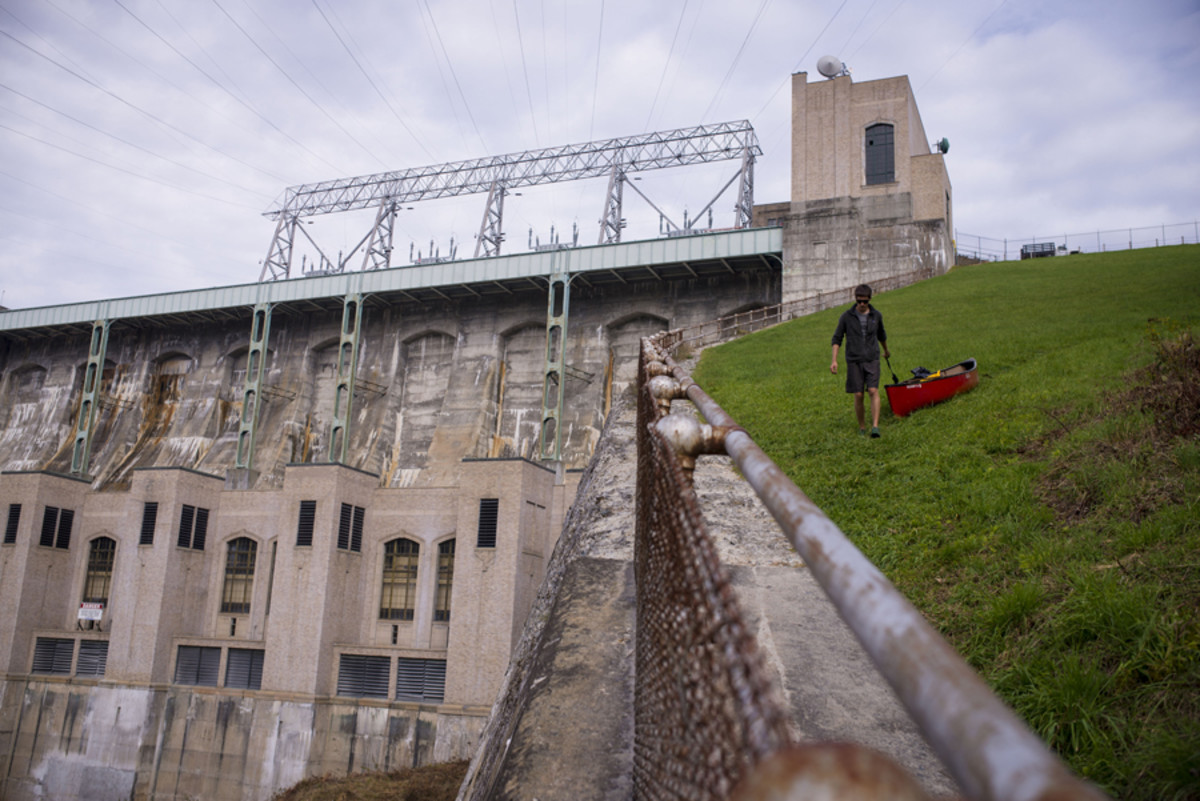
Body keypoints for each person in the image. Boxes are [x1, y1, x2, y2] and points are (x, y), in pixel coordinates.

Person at [830, 284, 890, 437]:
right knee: (858, 395)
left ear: (870, 299)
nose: (862, 304)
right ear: (855, 299)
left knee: (872, 390)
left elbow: (881, 335)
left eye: (865, 301)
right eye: (859, 301)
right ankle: (862, 427)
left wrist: (886, 350)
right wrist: (834, 360)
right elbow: (837, 338)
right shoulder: (846, 317)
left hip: (872, 358)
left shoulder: (876, 316)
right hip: (854, 359)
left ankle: (875, 427)